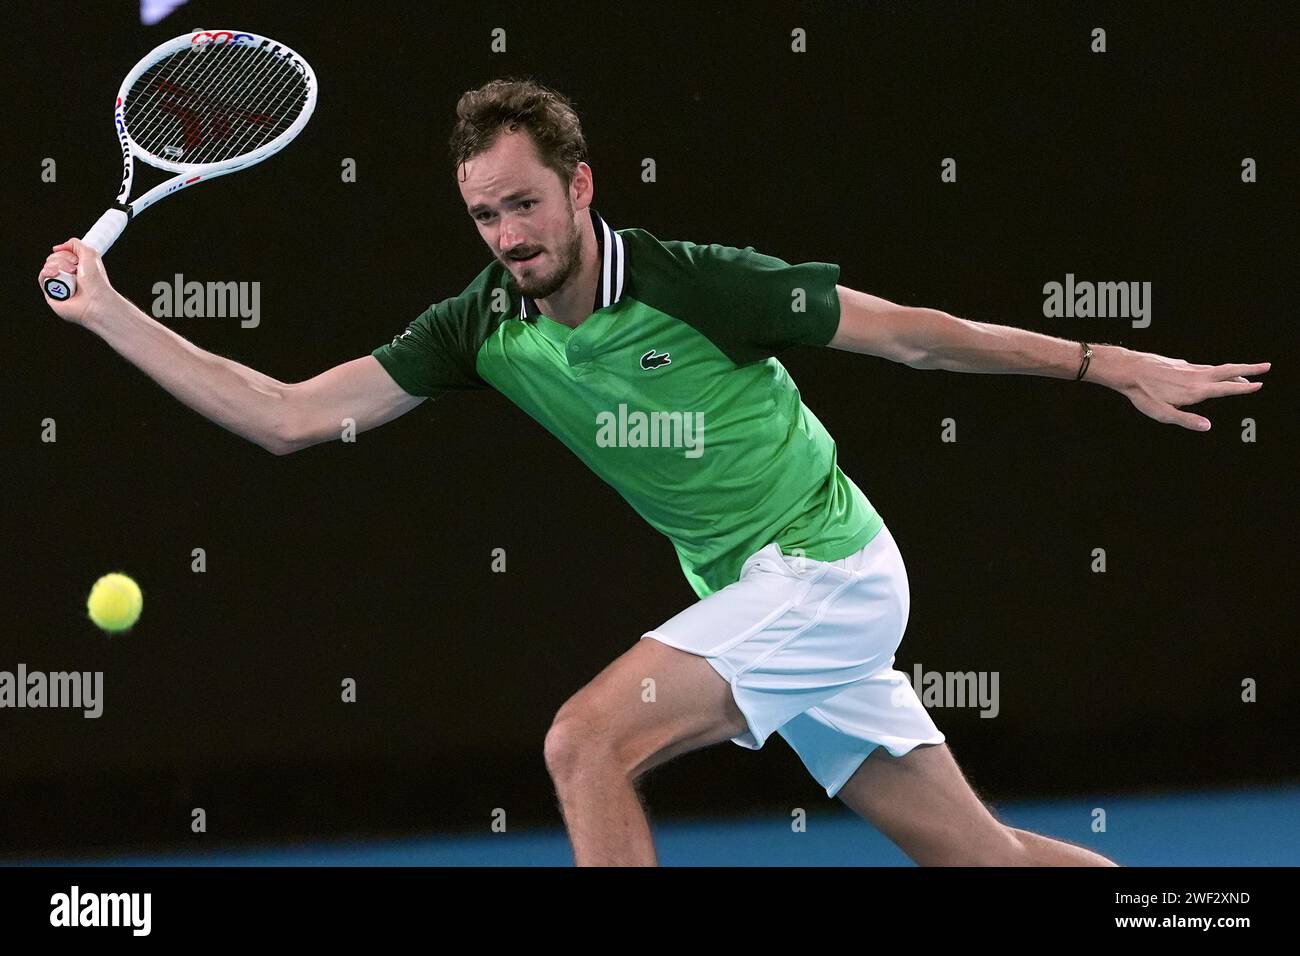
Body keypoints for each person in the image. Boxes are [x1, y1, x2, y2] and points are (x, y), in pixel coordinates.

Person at [39, 78, 1269, 866]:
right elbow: (290, 417)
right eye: (483, 217)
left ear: (580, 186)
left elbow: (913, 330)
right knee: (983, 861)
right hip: (762, 594)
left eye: (525, 204)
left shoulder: (699, 278)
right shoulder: (480, 324)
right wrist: (109, 315)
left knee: (584, 741)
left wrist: (1106, 362)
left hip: (825, 571)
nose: (509, 236)